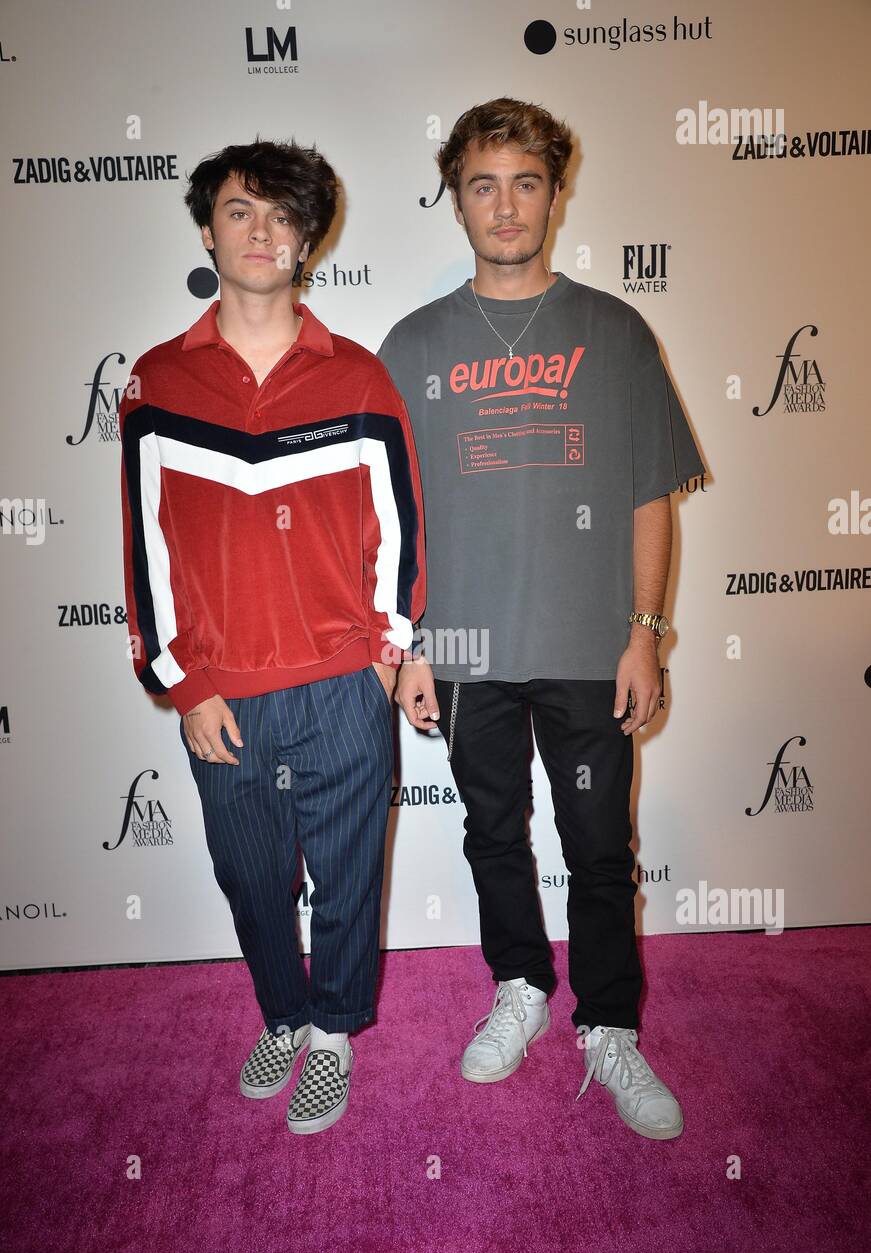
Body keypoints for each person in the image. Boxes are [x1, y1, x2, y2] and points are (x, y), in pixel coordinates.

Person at [379, 98, 704, 1141]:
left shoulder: (613, 331)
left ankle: (608, 1022)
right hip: (464, 644)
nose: (505, 204)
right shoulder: (411, 342)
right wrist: (407, 646)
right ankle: (520, 984)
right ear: (456, 199)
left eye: (525, 182)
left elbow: (648, 493)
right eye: (483, 184)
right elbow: (387, 514)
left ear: (556, 195)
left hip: (585, 641)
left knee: (599, 843)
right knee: (492, 833)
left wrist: (645, 629)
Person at [119, 137, 426, 1135]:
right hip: (223, 692)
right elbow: (146, 548)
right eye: (241, 211)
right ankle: (285, 1016)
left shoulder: (361, 378)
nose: (261, 232)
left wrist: (389, 651)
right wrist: (182, 679)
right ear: (209, 229)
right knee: (252, 877)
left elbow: (400, 528)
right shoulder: (160, 381)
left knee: (347, 877)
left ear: (308, 241)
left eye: (282, 216)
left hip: (344, 682)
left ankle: (333, 1031)